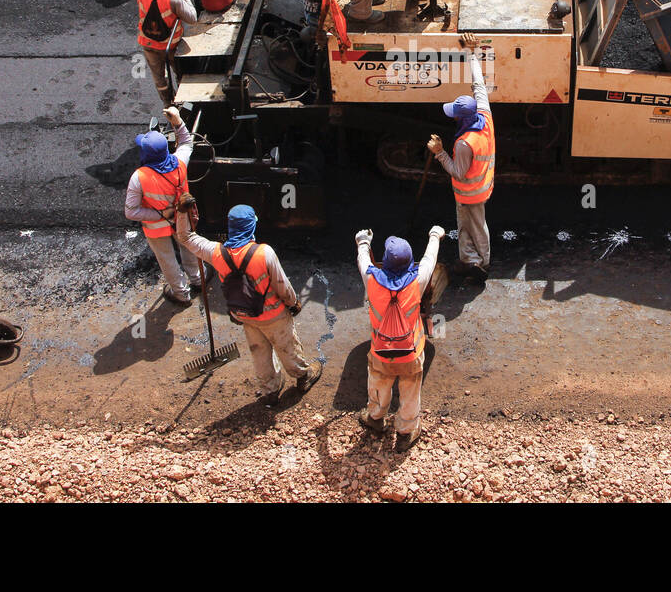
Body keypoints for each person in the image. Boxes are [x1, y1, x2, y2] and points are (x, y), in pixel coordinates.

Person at [176, 204, 321, 405]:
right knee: (288, 349)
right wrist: (293, 303)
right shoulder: (264, 253)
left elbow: (185, 237)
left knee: (259, 353)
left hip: (243, 314)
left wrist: (182, 213)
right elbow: (282, 285)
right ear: (251, 226)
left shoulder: (216, 252)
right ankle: (303, 377)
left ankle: (270, 392)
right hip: (273, 315)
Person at [354, 226, 444, 451]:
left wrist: (363, 240)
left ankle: (375, 418)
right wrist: (434, 235)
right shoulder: (418, 281)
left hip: (380, 351)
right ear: (409, 262)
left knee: (378, 384)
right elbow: (429, 258)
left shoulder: (371, 280)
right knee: (410, 391)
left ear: (385, 260)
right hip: (411, 352)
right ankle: (406, 432)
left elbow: (363, 259)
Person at [427, 35, 494, 275]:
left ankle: (480, 264)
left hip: (470, 192)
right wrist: (471, 52)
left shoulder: (466, 143)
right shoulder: (484, 115)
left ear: (461, 118)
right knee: (469, 225)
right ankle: (470, 260)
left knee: (474, 226)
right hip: (482, 186)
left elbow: (458, 172)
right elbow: (479, 85)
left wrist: (440, 152)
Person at [124, 107, 200, 304]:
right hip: (182, 218)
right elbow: (186, 142)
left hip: (157, 227)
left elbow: (131, 212)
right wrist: (178, 121)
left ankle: (182, 294)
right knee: (189, 248)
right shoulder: (179, 162)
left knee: (167, 260)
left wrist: (158, 214)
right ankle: (199, 279)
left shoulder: (138, 177)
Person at [121, 0, 197, 107]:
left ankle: (168, 104)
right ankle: (186, 101)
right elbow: (192, 18)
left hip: (149, 44)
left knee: (159, 78)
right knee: (180, 72)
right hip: (171, 46)